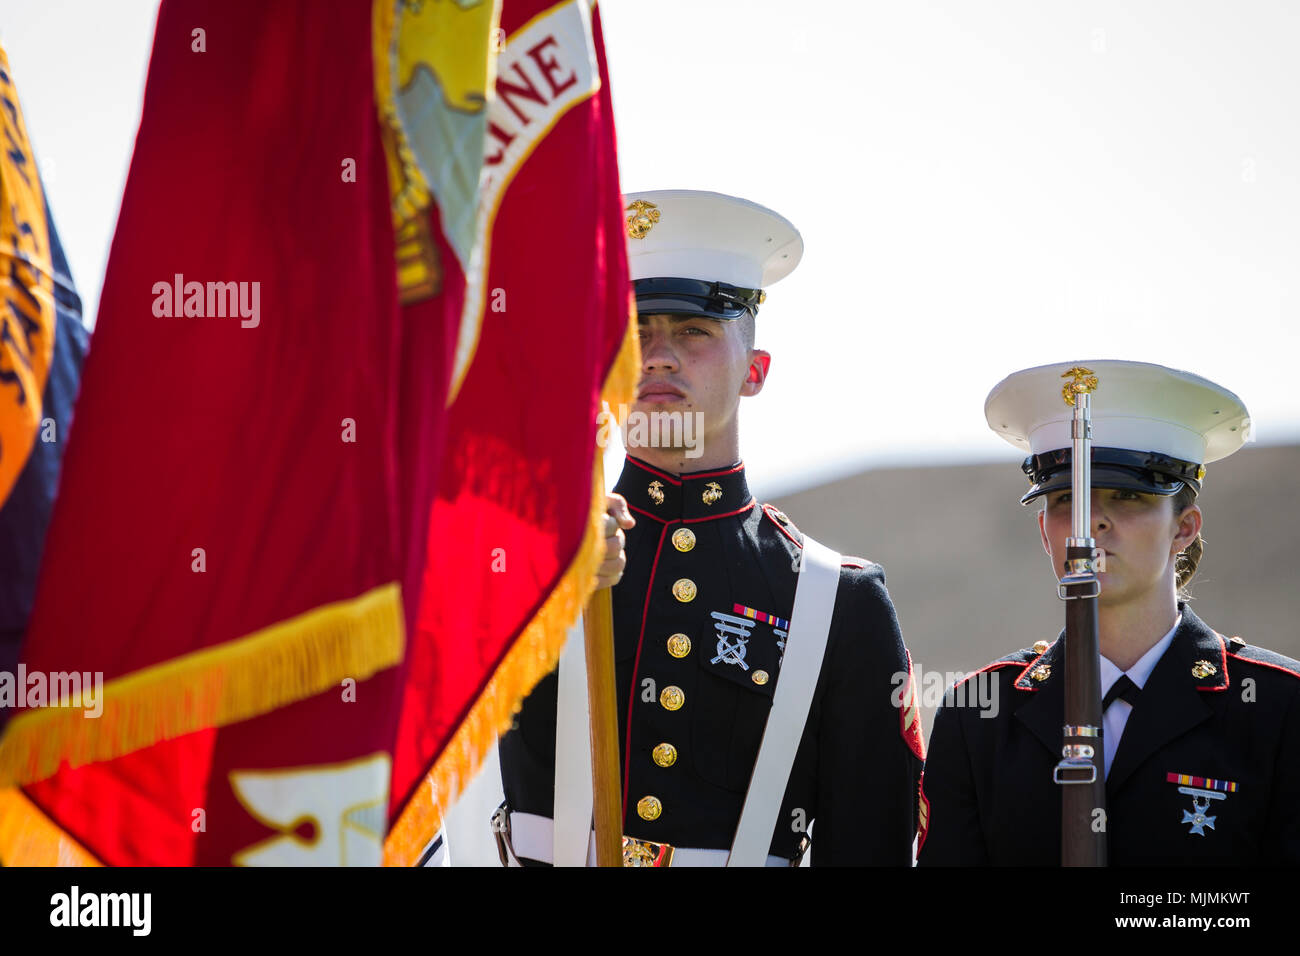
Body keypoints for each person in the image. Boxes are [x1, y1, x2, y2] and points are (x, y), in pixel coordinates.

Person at [494, 189, 924, 866]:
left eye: (693, 331)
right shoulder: (516, 566)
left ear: (754, 372)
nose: (659, 357)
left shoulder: (837, 604)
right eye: (635, 332)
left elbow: (870, 845)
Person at [918, 360, 1300, 866]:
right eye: (1066, 499)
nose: (1091, 521)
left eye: (1127, 496)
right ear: (1044, 531)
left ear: (1184, 528)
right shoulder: (979, 715)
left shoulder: (1279, 709)